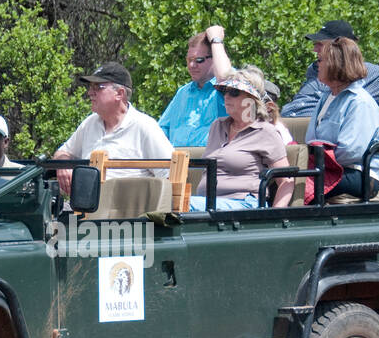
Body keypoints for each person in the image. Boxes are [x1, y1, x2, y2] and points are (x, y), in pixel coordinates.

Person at [53, 62, 173, 195]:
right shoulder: (90, 123)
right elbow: (62, 152)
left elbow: (171, 176)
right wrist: (63, 165)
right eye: (90, 87)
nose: (90, 92)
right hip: (83, 211)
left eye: (98, 87)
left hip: (127, 212)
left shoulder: (144, 126)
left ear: (119, 94)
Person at [188, 68, 293, 211]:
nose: (226, 96)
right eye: (224, 91)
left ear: (251, 99)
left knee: (183, 205)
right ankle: (146, 232)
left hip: (244, 204)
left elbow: (286, 181)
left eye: (234, 92)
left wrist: (274, 216)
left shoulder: (265, 131)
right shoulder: (217, 126)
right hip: (207, 204)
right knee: (162, 203)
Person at [305, 38, 379, 201]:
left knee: (300, 183)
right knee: (286, 180)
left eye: (320, 60)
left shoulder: (360, 102)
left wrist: (318, 161)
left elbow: (350, 152)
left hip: (359, 174)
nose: (317, 65)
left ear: (335, 64)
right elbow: (310, 139)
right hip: (327, 169)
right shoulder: (325, 98)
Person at [280, 20, 379, 119]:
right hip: (291, 124)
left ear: (342, 48)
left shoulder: (366, 74)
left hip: (323, 135)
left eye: (321, 44)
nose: (314, 49)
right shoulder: (315, 69)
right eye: (315, 44)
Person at [157, 32, 227, 147]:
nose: (192, 65)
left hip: (210, 162)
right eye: (189, 60)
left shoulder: (227, 89)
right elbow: (162, 130)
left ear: (215, 58)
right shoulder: (182, 93)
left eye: (199, 60)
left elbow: (225, 75)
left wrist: (216, 40)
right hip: (176, 161)